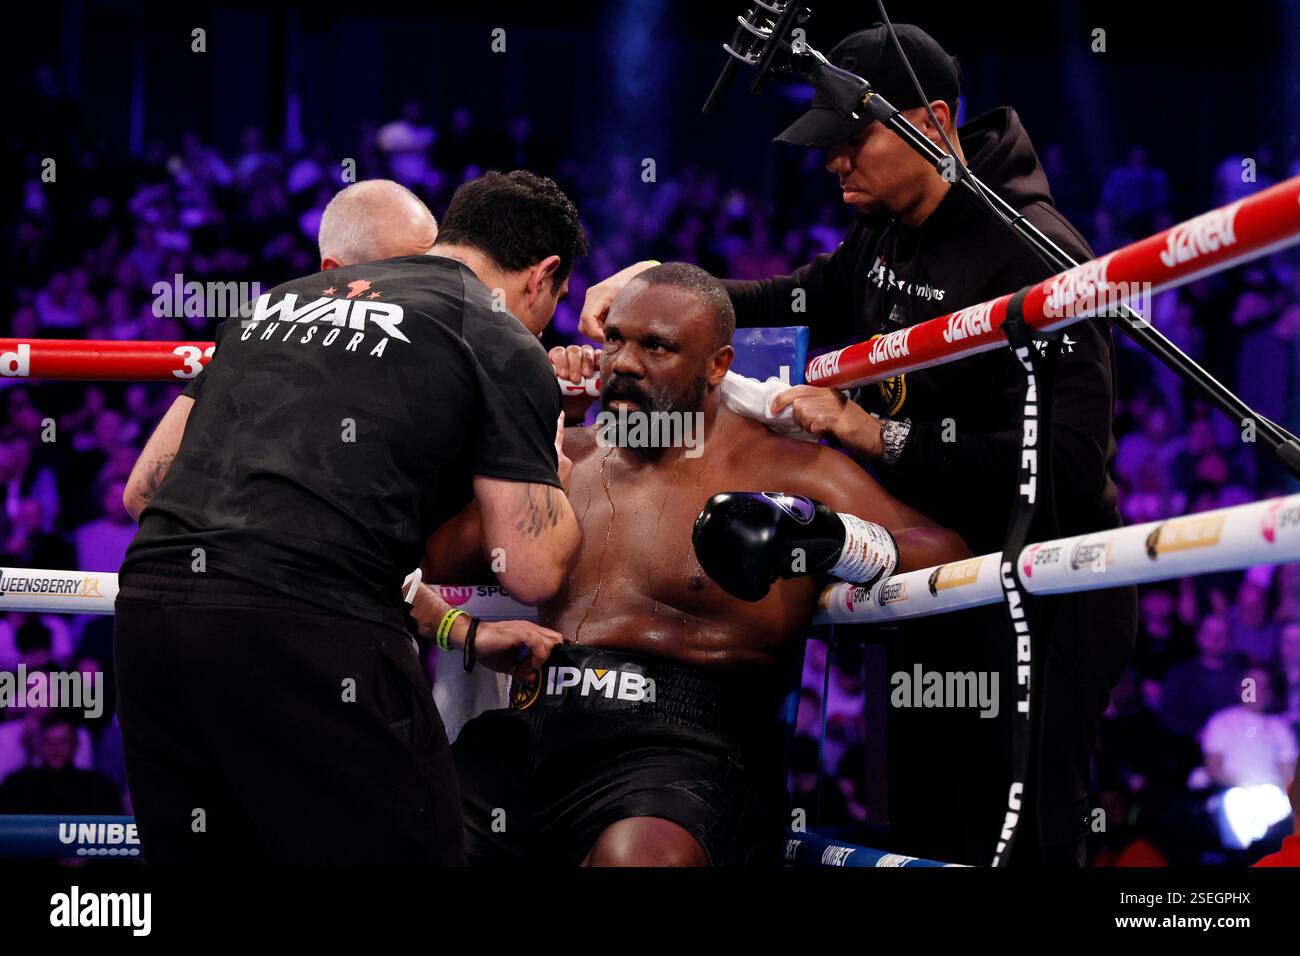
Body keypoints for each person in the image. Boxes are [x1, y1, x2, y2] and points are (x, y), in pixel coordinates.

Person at [577, 23, 1138, 866]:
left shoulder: (1036, 252)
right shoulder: (888, 227)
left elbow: (1067, 465)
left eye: (851, 141)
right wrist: (658, 289)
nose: (834, 163)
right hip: (925, 570)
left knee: (1019, 837)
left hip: (1039, 595)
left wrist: (883, 433)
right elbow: (800, 294)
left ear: (934, 123)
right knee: (927, 829)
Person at [113, 170, 586, 865]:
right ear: (543, 276)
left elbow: (144, 491)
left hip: (152, 618)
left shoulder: (276, 302)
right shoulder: (500, 337)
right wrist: (554, 456)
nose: (547, 322)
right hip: (310, 631)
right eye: (556, 301)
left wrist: (446, 620)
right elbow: (534, 565)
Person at [432, 262, 969, 866]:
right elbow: (431, 558)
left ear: (718, 366)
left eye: (657, 346)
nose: (625, 363)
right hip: (528, 729)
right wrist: (507, 435)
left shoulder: (787, 470)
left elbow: (947, 553)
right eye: (615, 340)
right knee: (391, 826)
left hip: (685, 749)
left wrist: (833, 539)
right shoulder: (566, 455)